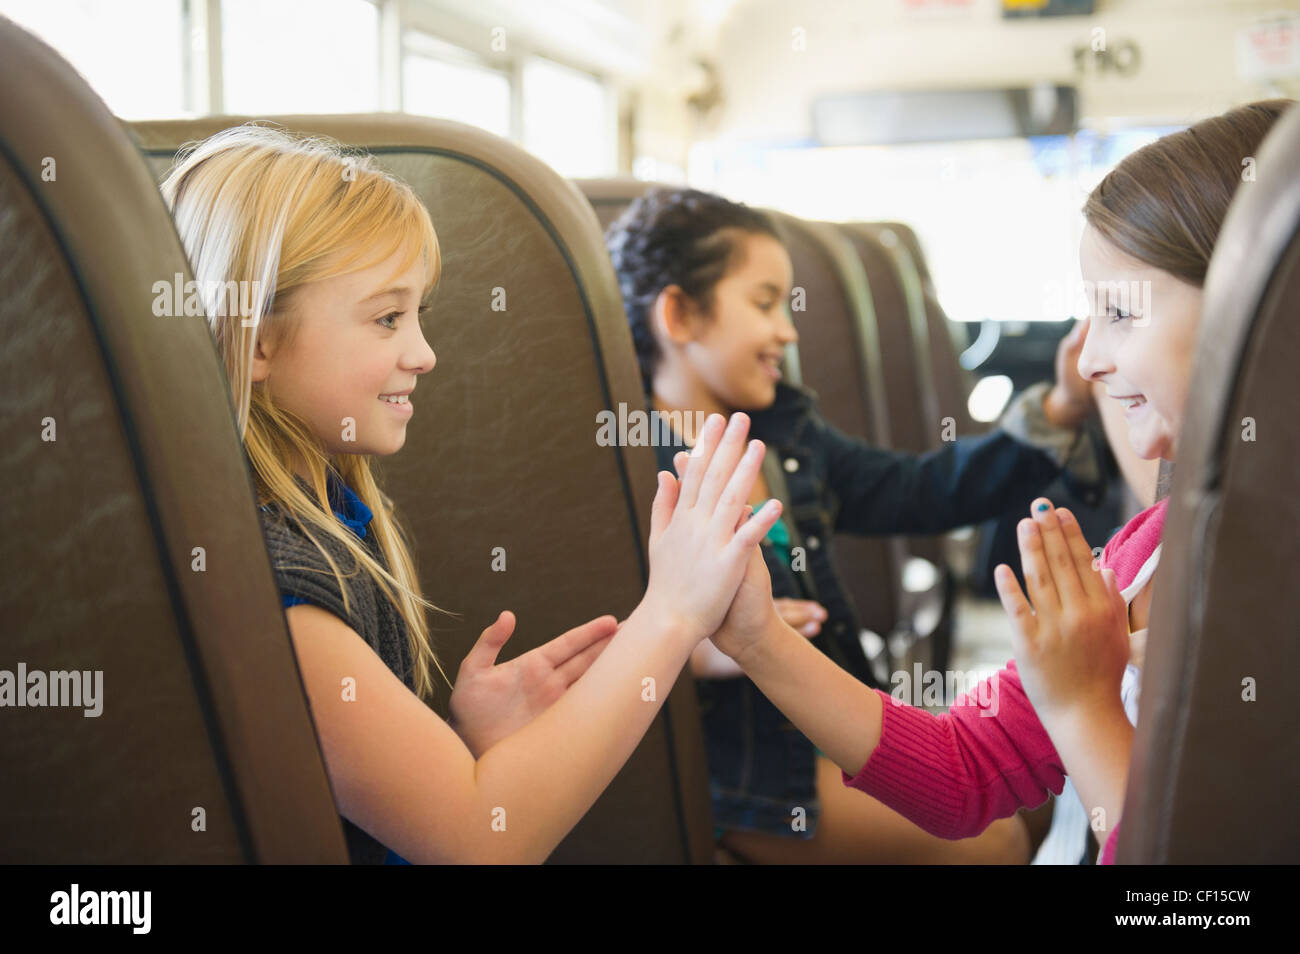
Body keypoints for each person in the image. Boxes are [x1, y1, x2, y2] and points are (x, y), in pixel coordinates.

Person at [688, 98, 1293, 864]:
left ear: (1261, 315)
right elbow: (959, 771)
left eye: (1119, 314)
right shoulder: (1146, 547)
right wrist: (758, 639)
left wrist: (1081, 707)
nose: (1092, 359)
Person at [158, 123, 782, 864]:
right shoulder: (278, 588)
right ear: (256, 340)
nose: (423, 354)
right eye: (388, 317)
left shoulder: (325, 518)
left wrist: (465, 748)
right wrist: (675, 612)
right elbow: (483, 838)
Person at [606, 187, 1106, 862]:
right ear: (679, 315)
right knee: (992, 843)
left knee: (1027, 800)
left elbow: (920, 490)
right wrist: (694, 650)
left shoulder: (788, 434)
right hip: (744, 777)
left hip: (826, 725)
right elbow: (593, 634)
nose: (787, 328)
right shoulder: (624, 463)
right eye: (764, 303)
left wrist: (1060, 407)